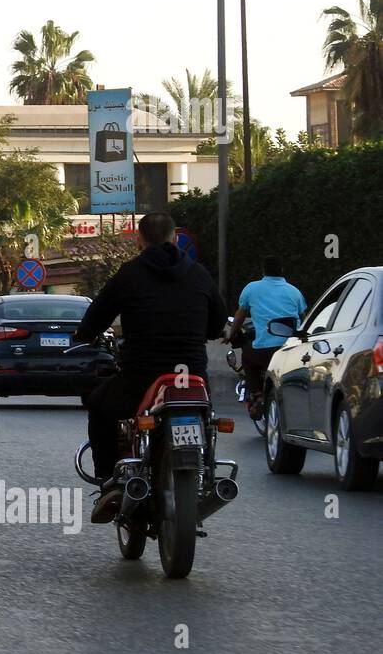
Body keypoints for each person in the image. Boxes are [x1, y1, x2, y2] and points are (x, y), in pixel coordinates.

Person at [73, 212, 227, 523]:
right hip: (193, 378)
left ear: (139, 240)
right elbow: (217, 323)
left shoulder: (129, 274)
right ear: (174, 238)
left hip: (142, 378)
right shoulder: (198, 274)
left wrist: (84, 335)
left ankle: (108, 483)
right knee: (207, 418)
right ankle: (206, 469)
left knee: (100, 406)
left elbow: (97, 316)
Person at [227, 256, 306, 413]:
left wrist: (230, 334)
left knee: (247, 357)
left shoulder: (251, 288)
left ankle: (257, 395)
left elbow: (240, 315)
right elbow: (303, 318)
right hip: (290, 350)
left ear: (263, 271)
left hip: (265, 351)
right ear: (282, 271)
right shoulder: (294, 292)